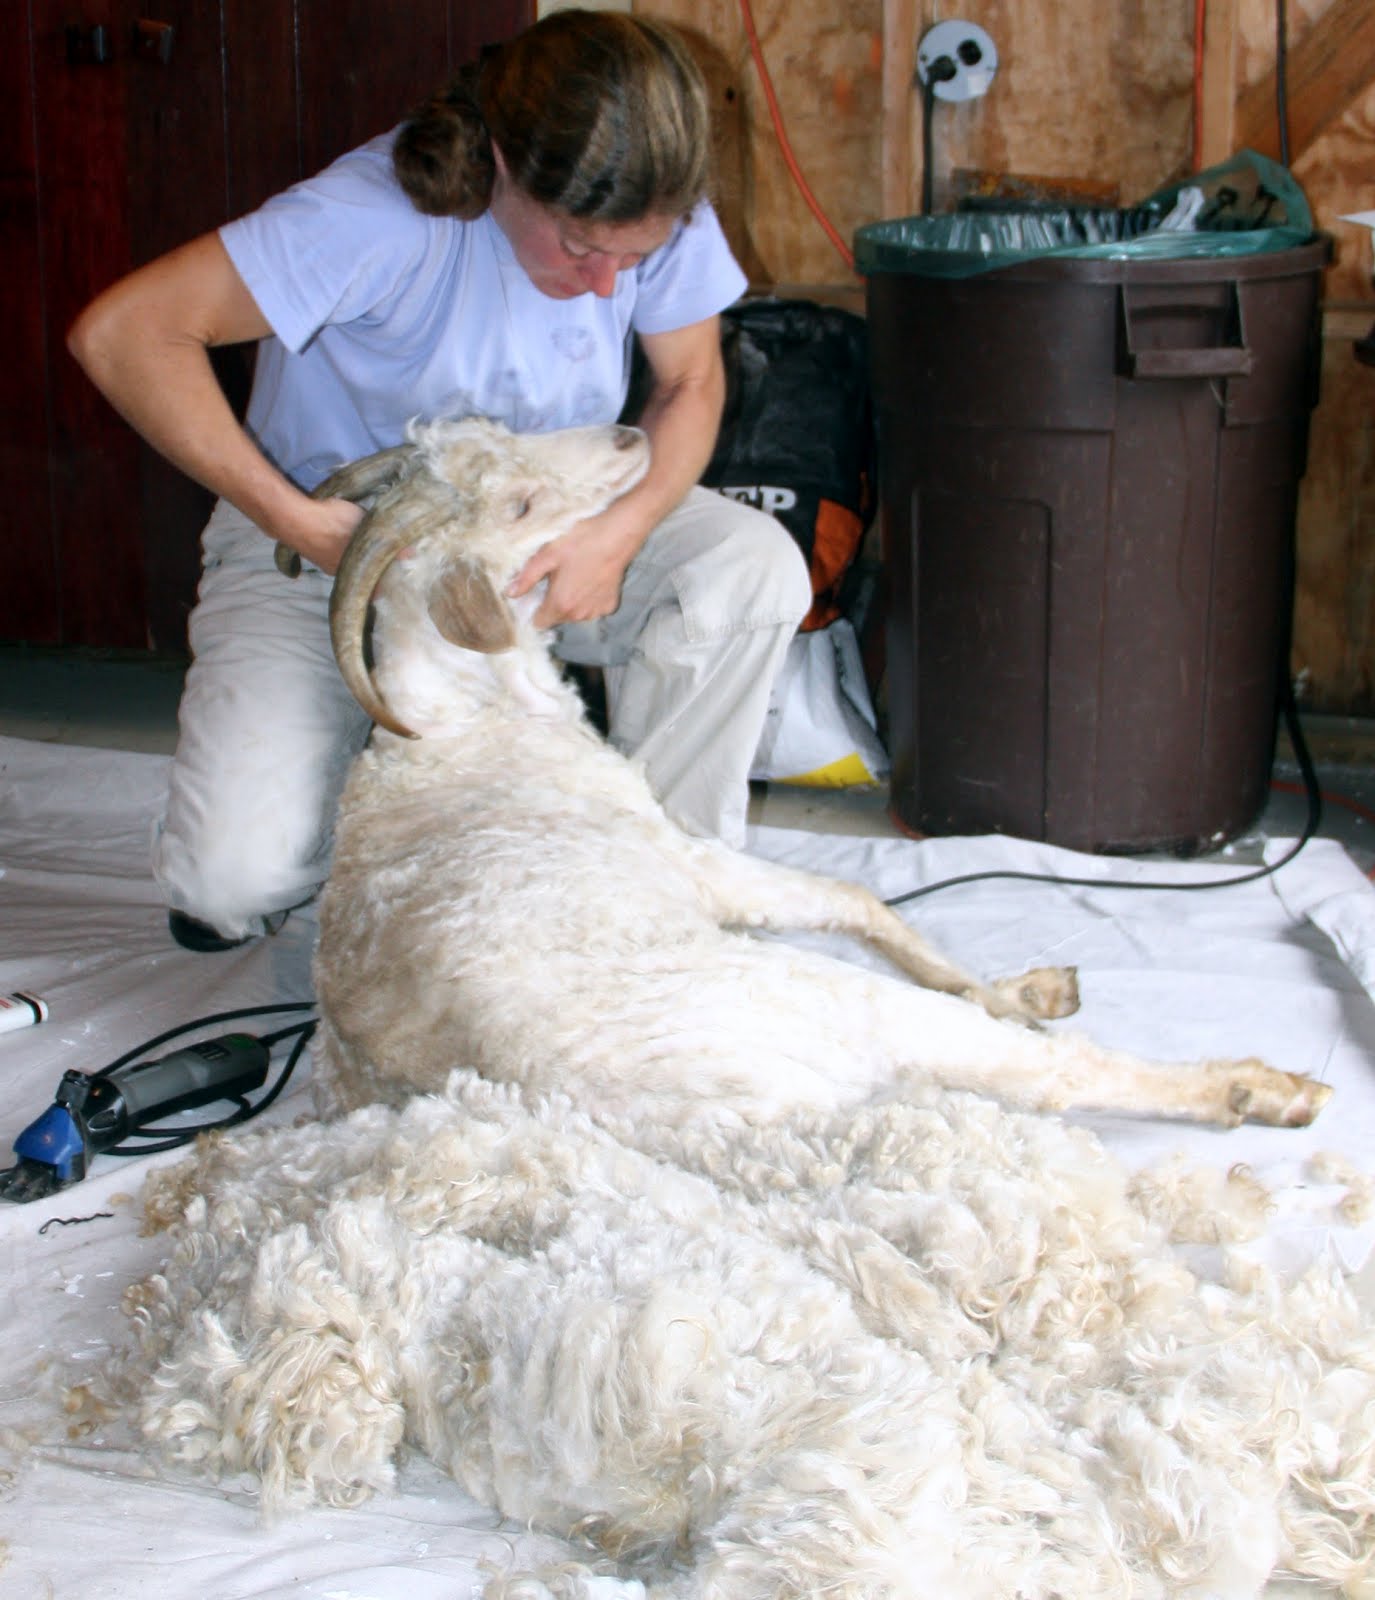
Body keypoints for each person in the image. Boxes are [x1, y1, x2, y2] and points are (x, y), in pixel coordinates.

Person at [68, 8, 811, 953]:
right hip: (340, 530)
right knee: (232, 883)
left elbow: (692, 381)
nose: (602, 286)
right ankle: (307, 791)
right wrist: (296, 522)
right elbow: (126, 333)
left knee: (746, 570)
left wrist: (619, 533)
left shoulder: (653, 208)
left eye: (635, 259)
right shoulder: (370, 218)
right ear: (503, 160)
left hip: (544, 510)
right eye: (579, 246)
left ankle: (656, 882)